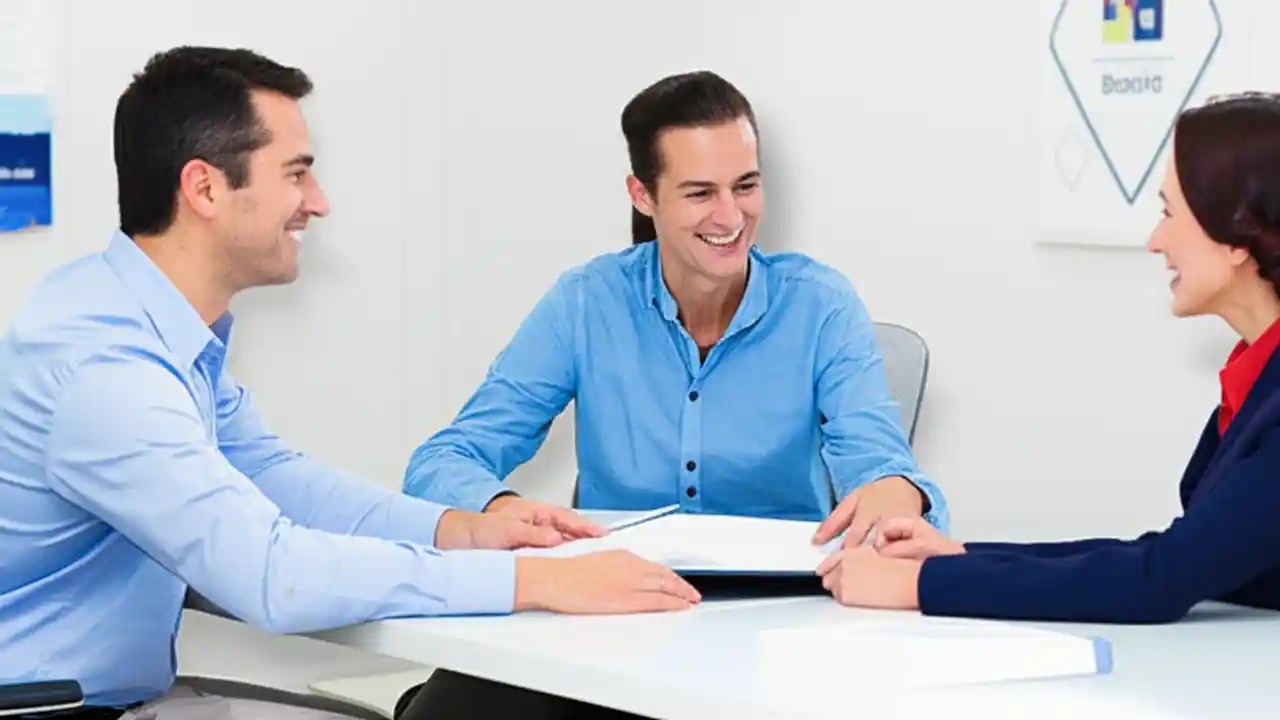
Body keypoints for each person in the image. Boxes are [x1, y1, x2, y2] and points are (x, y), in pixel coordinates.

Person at [0, 46, 701, 720]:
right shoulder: (105, 367)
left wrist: (458, 530)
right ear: (205, 187)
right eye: (296, 173)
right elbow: (274, 574)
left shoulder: (149, 329)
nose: (319, 201)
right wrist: (536, 583)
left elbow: (272, 475)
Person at [396, 70, 948, 718]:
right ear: (643, 194)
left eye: (746, 186)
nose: (730, 216)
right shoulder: (585, 302)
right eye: (699, 193)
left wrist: (894, 492)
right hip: (608, 619)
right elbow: (440, 463)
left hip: (777, 633)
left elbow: (885, 473)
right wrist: (496, 503)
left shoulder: (821, 307)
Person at [819, 92, 1280, 624]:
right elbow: (1176, 553)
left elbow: (1160, 579)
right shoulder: (1254, 374)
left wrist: (920, 585)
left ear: (1237, 234)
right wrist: (961, 558)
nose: (1155, 241)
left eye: (1170, 213)